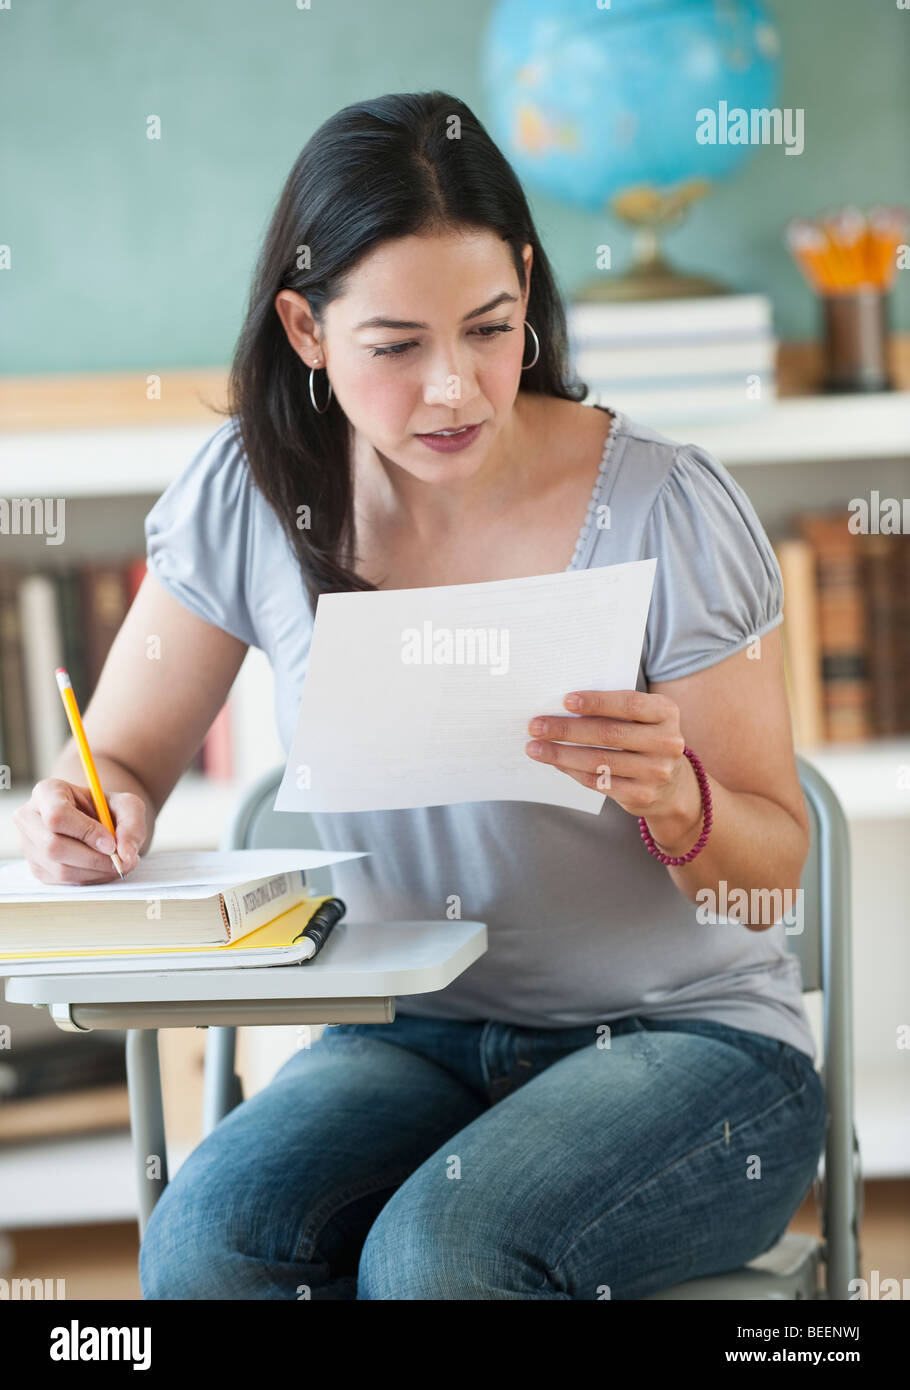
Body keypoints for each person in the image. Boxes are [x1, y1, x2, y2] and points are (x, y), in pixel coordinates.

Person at [13, 91, 826, 1301]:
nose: (454, 389)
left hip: (693, 1044)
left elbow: (778, 866)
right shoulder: (253, 495)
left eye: (490, 330)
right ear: (305, 327)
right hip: (404, 1030)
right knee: (205, 1248)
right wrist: (88, 805)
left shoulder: (667, 503)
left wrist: (680, 800)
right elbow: (116, 763)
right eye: (394, 346)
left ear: (529, 295)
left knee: (438, 1255)